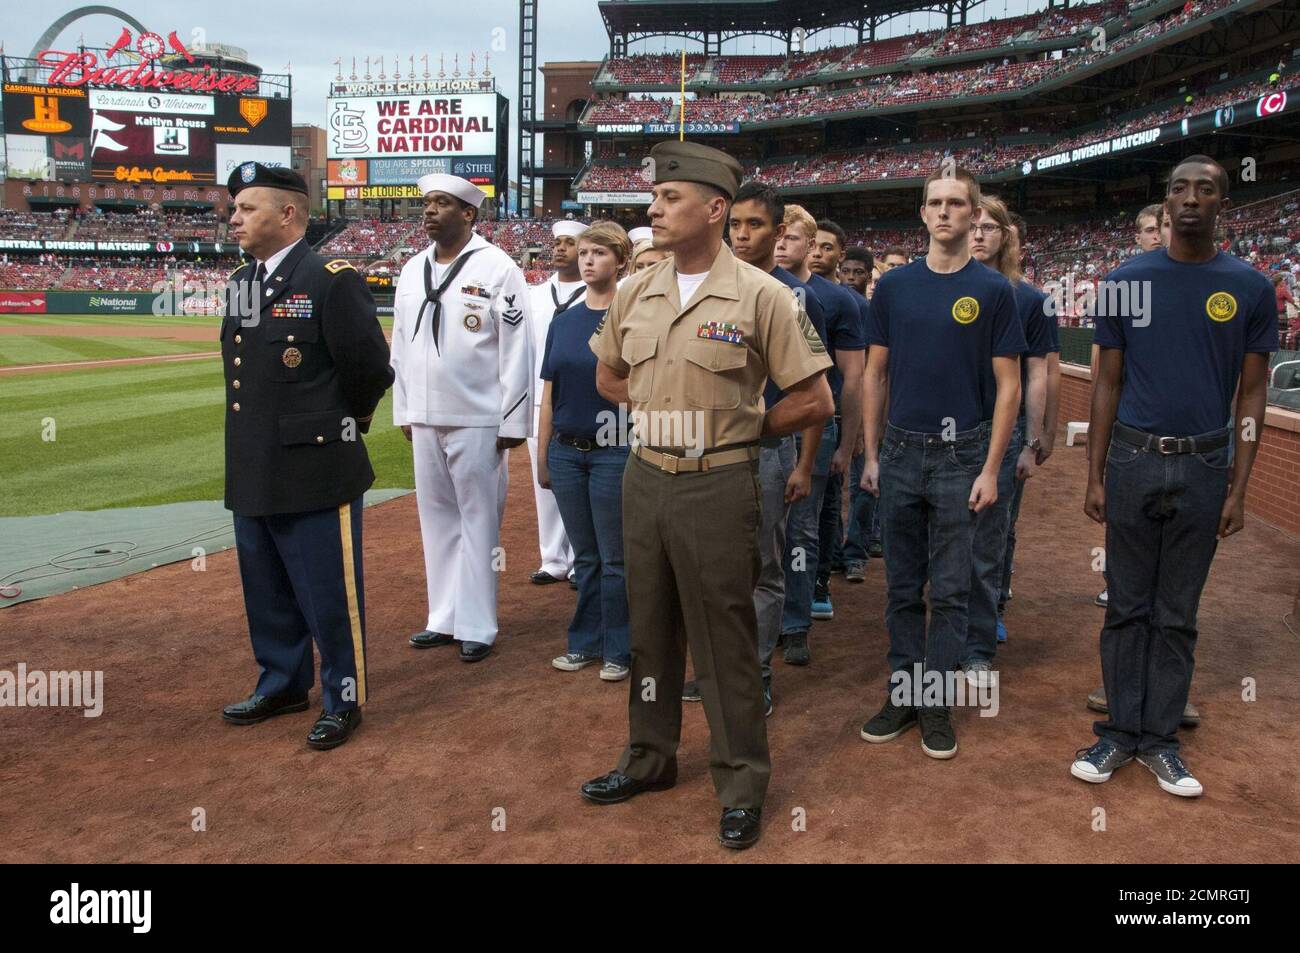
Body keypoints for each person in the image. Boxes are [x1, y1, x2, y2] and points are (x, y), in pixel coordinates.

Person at [578, 141, 834, 851]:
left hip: (719, 481)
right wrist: (662, 408)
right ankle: (649, 757)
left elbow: (814, 399)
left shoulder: (763, 295)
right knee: (649, 631)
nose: (654, 209)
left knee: (724, 642)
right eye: (654, 198)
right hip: (644, 475)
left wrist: (741, 427)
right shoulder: (637, 289)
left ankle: (742, 782)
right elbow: (607, 375)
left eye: (670, 198)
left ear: (715, 208)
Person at [1071, 155, 1275, 797]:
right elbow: (1106, 382)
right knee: (1126, 605)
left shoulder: (1250, 287)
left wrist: (1240, 485)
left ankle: (1160, 741)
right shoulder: (1125, 280)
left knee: (1178, 611)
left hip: (1206, 463)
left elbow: (1251, 394)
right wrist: (1095, 472)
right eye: (1179, 189)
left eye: (1205, 190)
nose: (1191, 198)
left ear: (1222, 206)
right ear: (1166, 204)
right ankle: (1117, 734)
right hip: (1132, 459)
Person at [219, 162, 393, 751]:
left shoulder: (330, 280)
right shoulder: (244, 280)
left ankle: (343, 697)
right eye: (235, 208)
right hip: (255, 462)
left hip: (317, 465)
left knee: (327, 592)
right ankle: (283, 683)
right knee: (266, 587)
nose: (235, 218)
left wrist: (347, 425)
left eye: (247, 208)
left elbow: (370, 369)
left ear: (288, 213)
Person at [860, 165, 1025, 760]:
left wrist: (991, 468)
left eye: (957, 203)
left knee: (952, 590)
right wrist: (871, 454)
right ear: (923, 213)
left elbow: (1009, 387)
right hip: (901, 451)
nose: (945, 212)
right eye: (935, 203)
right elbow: (875, 374)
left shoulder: (994, 290)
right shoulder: (895, 287)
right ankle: (904, 693)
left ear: (973, 213)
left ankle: (935, 701)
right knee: (902, 586)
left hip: (963, 456)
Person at [391, 173, 533, 663]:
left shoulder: (498, 267)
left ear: (468, 213)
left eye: (442, 203)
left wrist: (513, 421)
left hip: (478, 414)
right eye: (426, 202)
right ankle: (443, 616)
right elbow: (400, 346)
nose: (429, 210)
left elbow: (517, 347)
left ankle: (477, 623)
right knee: (436, 519)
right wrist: (404, 408)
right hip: (424, 413)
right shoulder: (412, 268)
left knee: (479, 520)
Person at [709, 178, 826, 715]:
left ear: (778, 232)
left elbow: (817, 396)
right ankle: (718, 670)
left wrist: (805, 463)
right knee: (714, 567)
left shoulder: (796, 297)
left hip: (768, 452)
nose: (742, 234)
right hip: (708, 450)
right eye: (734, 224)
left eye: (754, 224)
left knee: (763, 567)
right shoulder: (708, 286)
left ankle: (754, 674)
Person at [961, 196, 1055, 681]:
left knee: (992, 536)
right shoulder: (940, 286)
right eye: (972, 225)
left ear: (1006, 236)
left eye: (989, 227)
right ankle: (950, 626)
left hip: (1001, 430)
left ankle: (982, 629)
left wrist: (1032, 441)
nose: (978, 234)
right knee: (946, 535)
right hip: (945, 428)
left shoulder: (1029, 298)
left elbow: (1038, 374)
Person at [536, 221, 633, 682]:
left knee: (615, 558)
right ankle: (585, 643)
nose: (588, 260)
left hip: (616, 447)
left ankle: (619, 648)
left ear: (621, 261)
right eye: (585, 252)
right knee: (586, 557)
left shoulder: (632, 318)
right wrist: (542, 456)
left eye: (600, 253)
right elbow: (548, 395)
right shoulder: (564, 320)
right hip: (566, 452)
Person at [774, 205, 865, 662]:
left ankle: (795, 622)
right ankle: (762, 621)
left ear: (810, 245)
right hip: (760, 424)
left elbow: (852, 377)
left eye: (790, 238)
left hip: (813, 424)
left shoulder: (836, 299)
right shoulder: (745, 288)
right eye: (779, 236)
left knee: (801, 530)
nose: (780, 245)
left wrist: (848, 443)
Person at [810, 218, 867, 603]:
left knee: (827, 502)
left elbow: (858, 375)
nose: (817, 253)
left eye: (826, 247)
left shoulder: (851, 303)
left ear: (840, 254)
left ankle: (821, 577)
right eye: (813, 245)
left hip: (828, 416)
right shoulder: (775, 288)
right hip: (780, 416)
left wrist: (854, 435)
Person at [526, 221, 586, 587]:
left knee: (580, 481)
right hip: (539, 398)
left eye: (570, 243)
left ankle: (581, 558)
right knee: (544, 481)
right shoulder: (533, 295)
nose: (561, 248)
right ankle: (552, 558)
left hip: (580, 401)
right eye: (558, 242)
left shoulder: (597, 292)